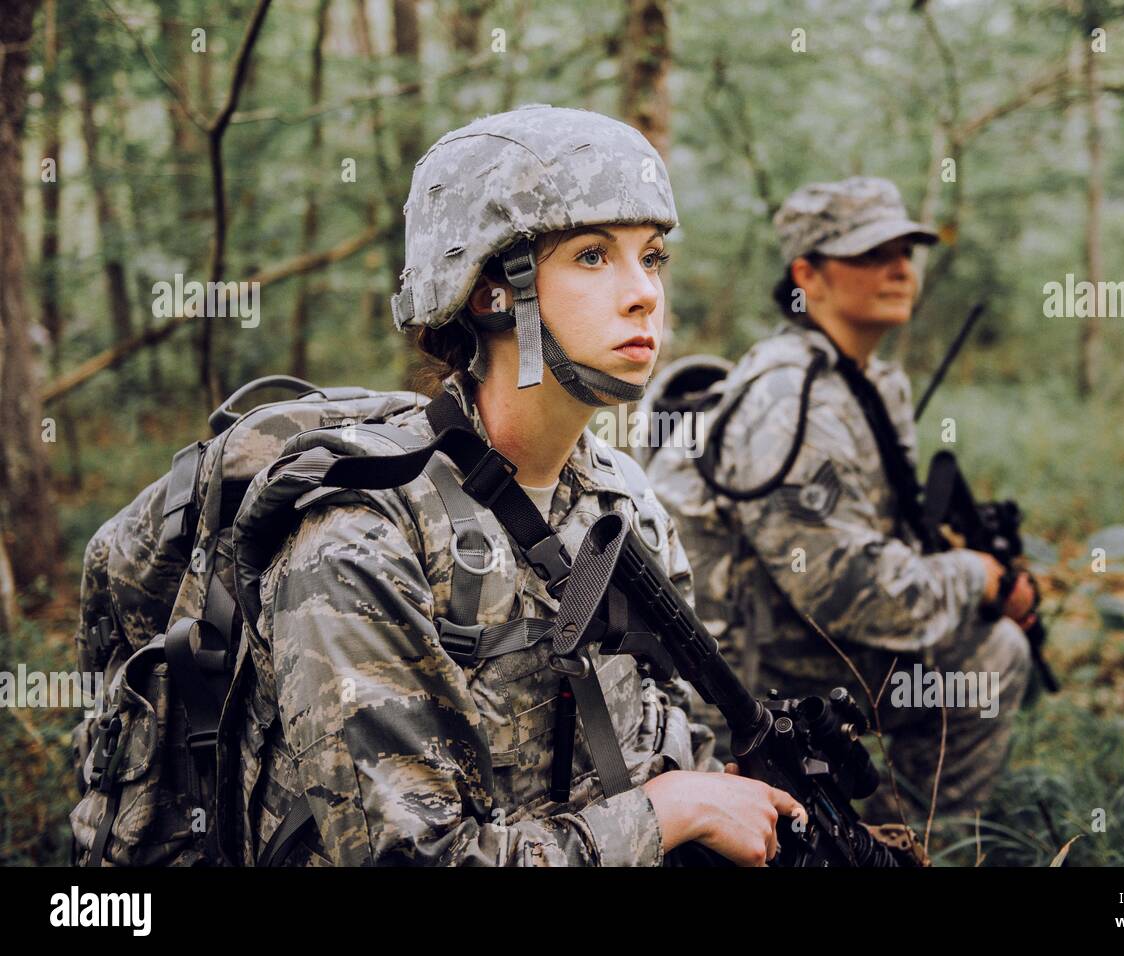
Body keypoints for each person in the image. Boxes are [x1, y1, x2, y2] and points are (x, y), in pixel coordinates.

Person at [233, 105, 805, 866]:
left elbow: (667, 744)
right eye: (594, 257)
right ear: (491, 292)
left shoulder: (622, 501)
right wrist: (666, 817)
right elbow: (413, 859)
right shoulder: (361, 536)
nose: (643, 294)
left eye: (653, 256)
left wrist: (713, 803)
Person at [648, 176, 1034, 827]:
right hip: (752, 681)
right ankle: (909, 831)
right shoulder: (790, 397)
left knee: (981, 644)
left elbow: (877, 537)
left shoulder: (871, 378)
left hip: (811, 641)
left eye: (904, 252)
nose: (898, 269)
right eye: (869, 255)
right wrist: (978, 579)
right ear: (810, 276)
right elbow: (846, 591)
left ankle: (909, 828)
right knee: (995, 654)